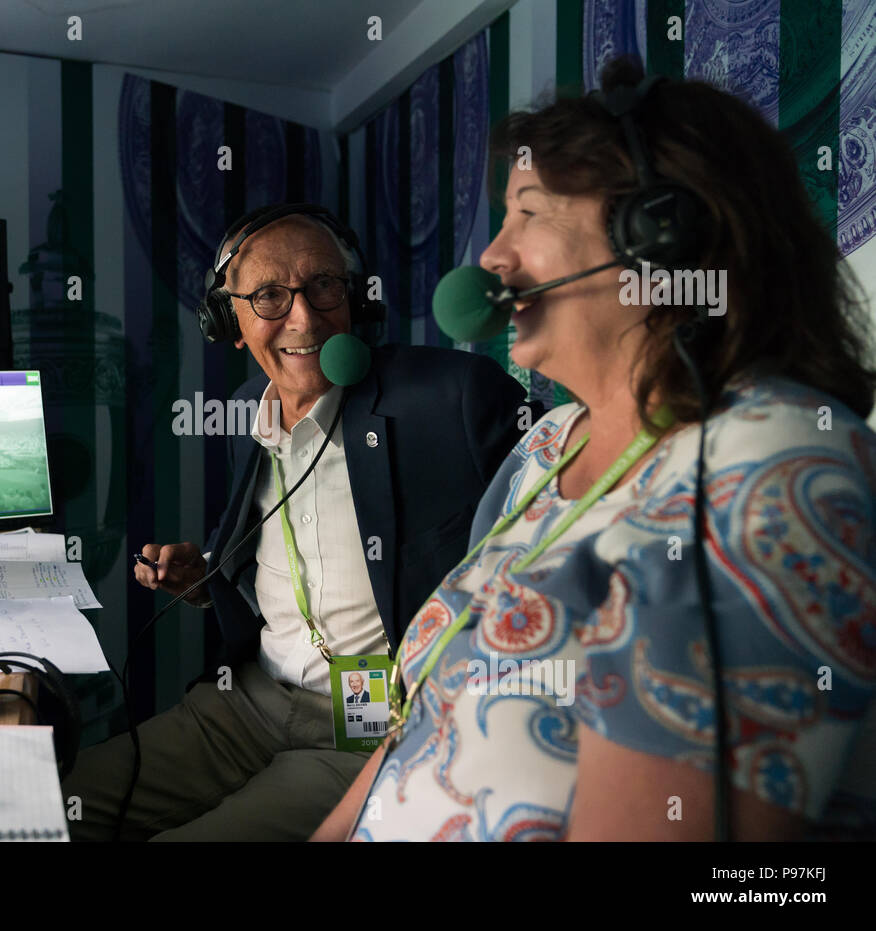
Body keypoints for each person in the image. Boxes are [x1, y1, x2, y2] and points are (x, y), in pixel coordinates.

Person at [315, 57, 876, 842]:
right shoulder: (547, 445)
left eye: (528, 214)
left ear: (660, 238)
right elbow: (426, 711)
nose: (490, 259)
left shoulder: (770, 464)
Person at [63, 203, 536, 840]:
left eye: (324, 286)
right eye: (268, 296)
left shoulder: (448, 396)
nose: (305, 317)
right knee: (51, 804)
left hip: (364, 735)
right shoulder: (242, 414)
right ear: (229, 321)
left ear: (356, 301)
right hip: (244, 702)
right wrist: (204, 581)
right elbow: (283, 561)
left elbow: (557, 519)